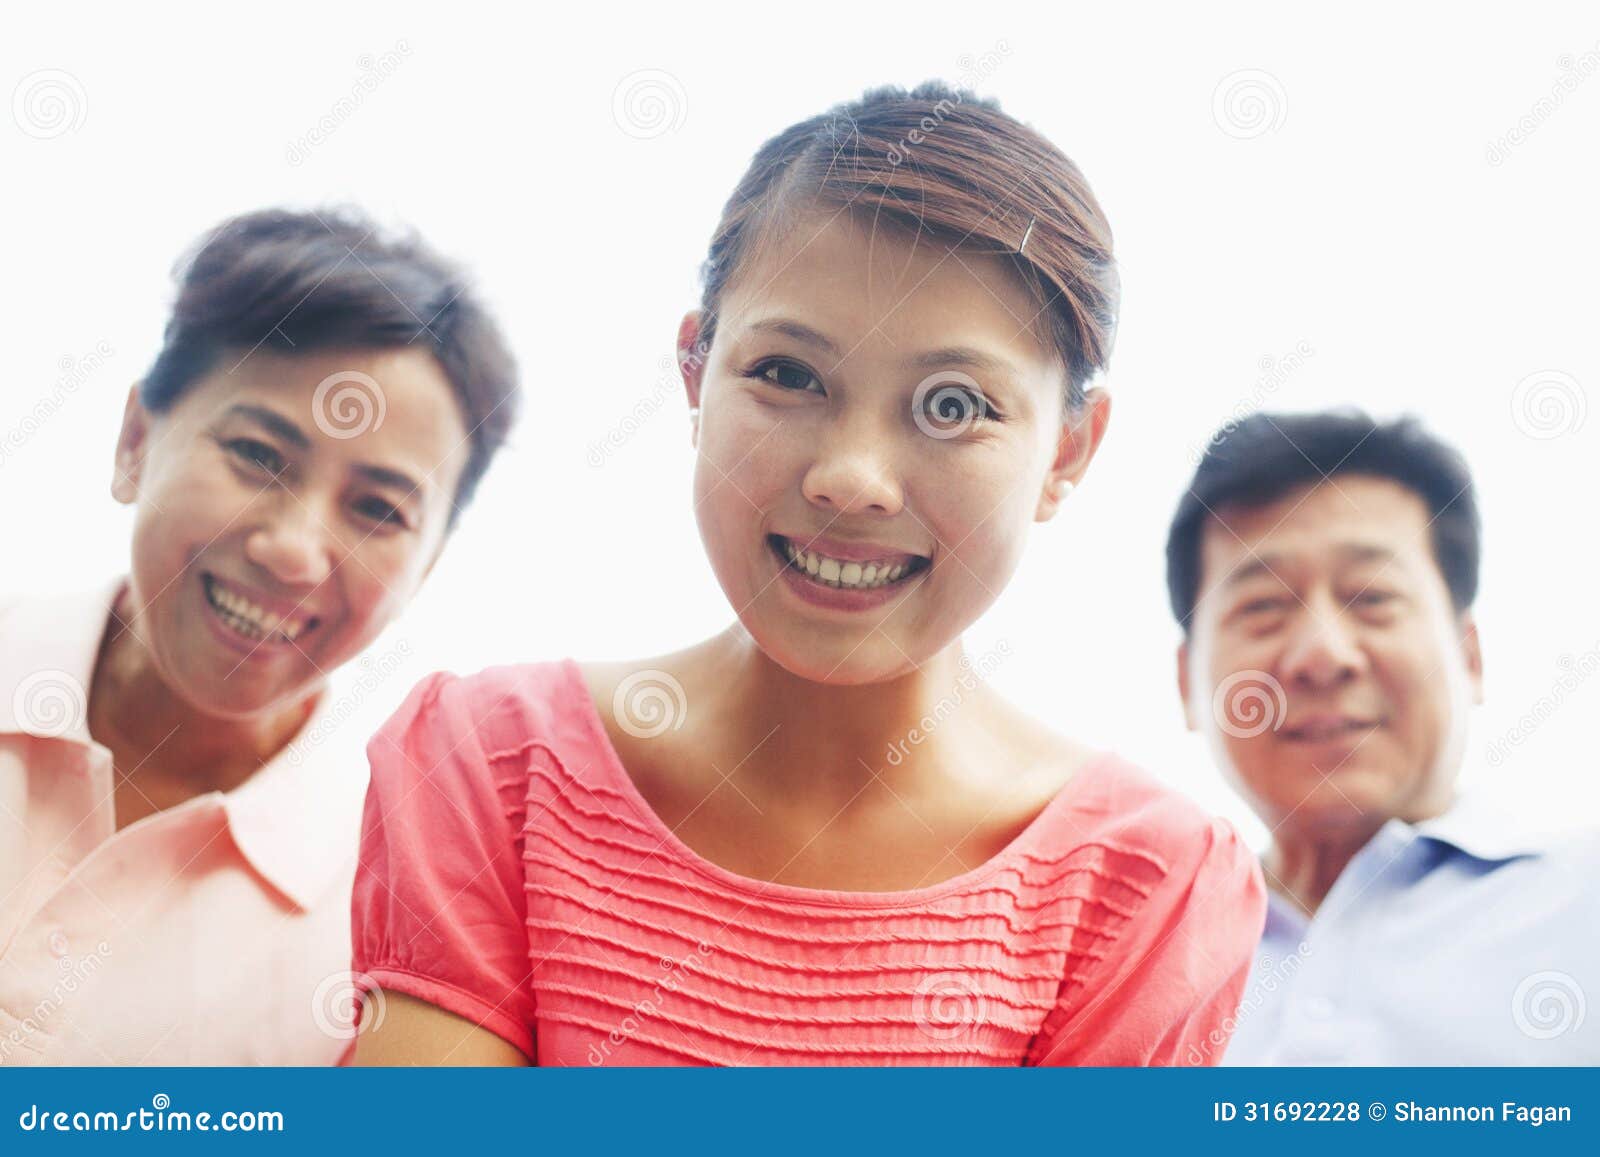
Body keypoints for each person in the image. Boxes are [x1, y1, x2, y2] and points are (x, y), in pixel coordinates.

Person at [350, 83, 1264, 1067]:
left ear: (1068, 450)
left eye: (954, 405)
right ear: (695, 371)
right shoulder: (489, 762)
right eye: (788, 374)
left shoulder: (1148, 881)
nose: (850, 478)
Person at [0, 207, 519, 1064]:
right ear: (135, 442)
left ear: (426, 568)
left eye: (377, 508)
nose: (292, 550)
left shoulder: (397, 925)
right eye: (257, 454)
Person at [1168, 409, 1599, 1064]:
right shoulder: (1127, 960)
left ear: (1470, 655)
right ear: (1186, 682)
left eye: (1373, 597)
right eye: (1262, 606)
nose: (1322, 654)